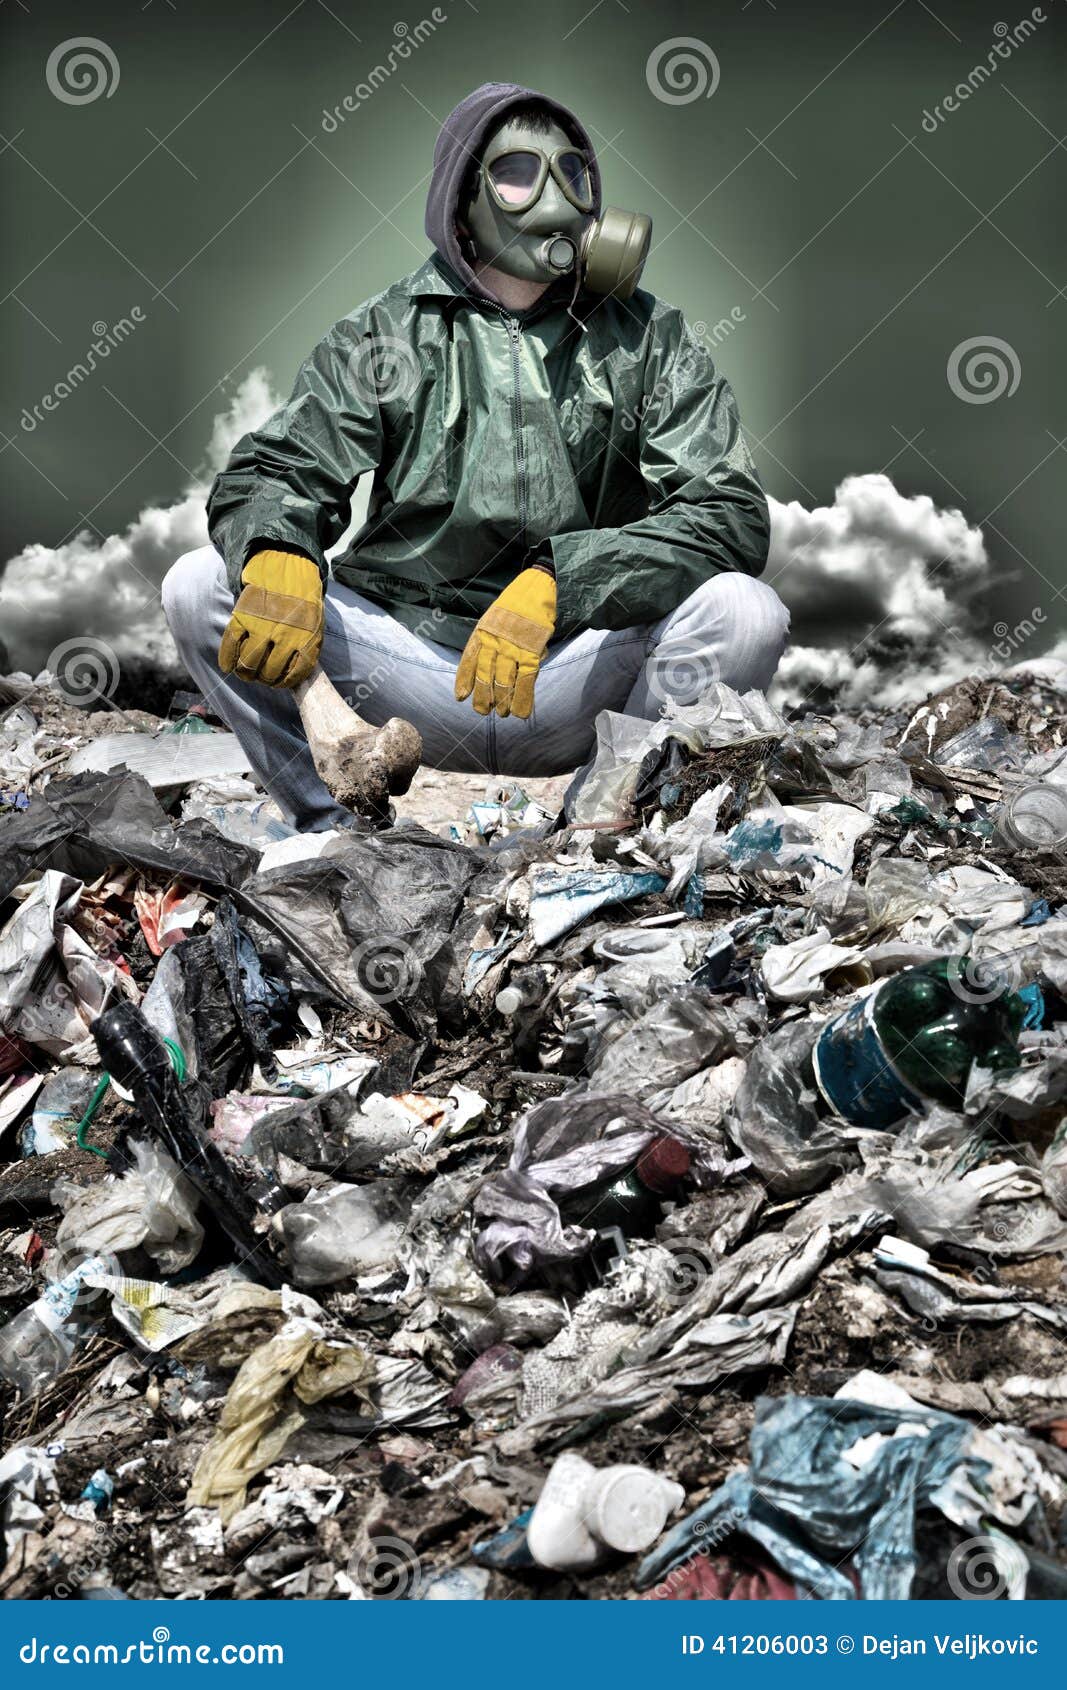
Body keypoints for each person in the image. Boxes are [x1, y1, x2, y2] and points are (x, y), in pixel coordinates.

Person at [162, 81, 788, 831]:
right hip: (409, 671)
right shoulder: (384, 335)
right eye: (518, 172)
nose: (556, 198)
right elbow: (283, 467)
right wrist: (278, 548)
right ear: (462, 200)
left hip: (575, 674)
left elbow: (726, 514)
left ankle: (601, 829)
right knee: (202, 585)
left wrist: (562, 582)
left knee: (744, 611)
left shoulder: (650, 340)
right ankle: (337, 828)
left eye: (572, 174)